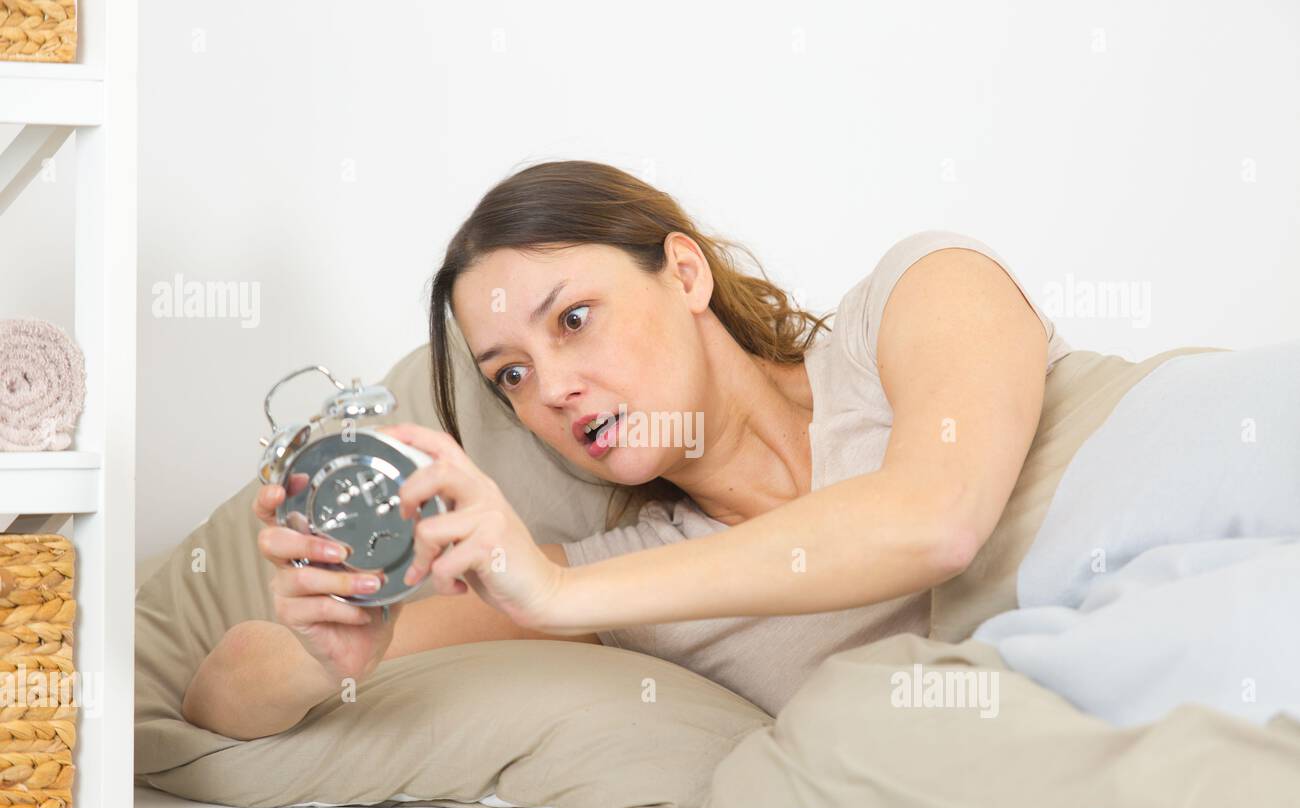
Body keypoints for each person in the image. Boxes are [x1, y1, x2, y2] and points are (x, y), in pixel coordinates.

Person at [182, 160, 1072, 739]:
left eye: (573, 319)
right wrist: (326, 643)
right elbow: (217, 701)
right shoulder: (622, 579)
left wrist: (558, 590)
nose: (553, 388)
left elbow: (936, 520)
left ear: (685, 272)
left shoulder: (914, 300)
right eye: (511, 377)